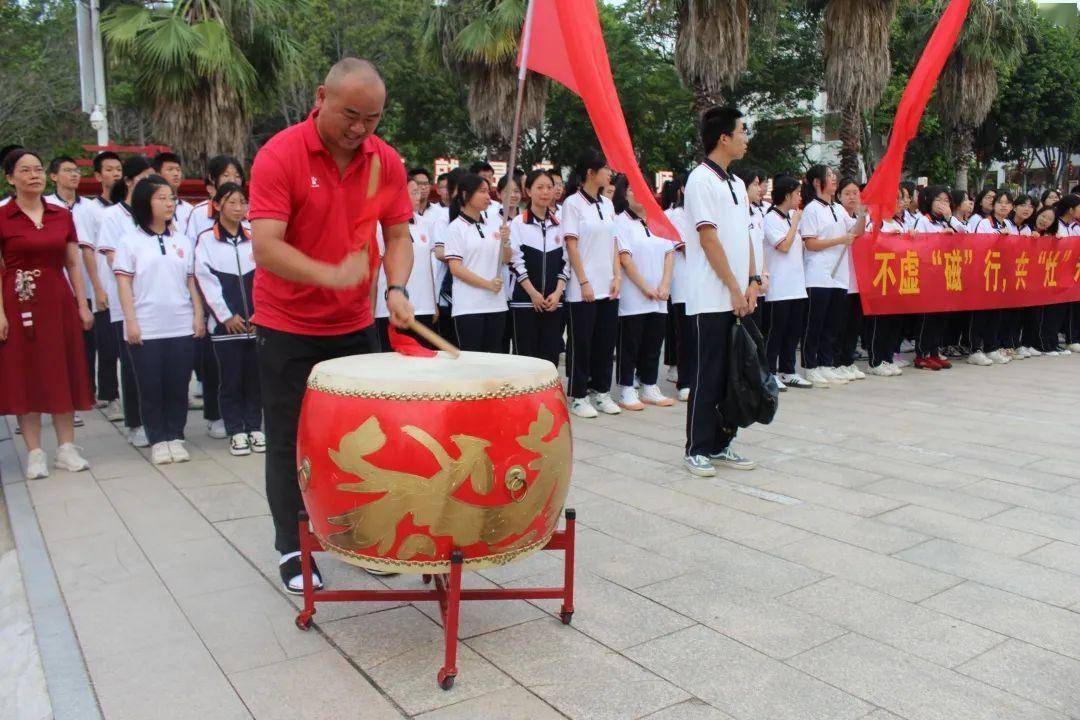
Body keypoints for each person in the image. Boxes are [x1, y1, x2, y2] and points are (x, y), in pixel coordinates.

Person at [248, 58, 415, 594]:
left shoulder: (384, 161)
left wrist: (396, 288)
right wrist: (330, 274)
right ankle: (293, 546)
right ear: (321, 96)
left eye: (372, 118)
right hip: (287, 324)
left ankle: (359, 537)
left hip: (354, 325)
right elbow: (266, 246)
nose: (360, 128)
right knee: (290, 437)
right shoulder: (281, 154)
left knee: (362, 439)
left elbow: (399, 237)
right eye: (350, 114)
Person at [0, 149, 94, 479]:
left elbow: (73, 263)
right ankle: (35, 452)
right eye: (25, 171)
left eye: (38, 169)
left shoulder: (60, 215)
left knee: (61, 369)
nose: (34, 175)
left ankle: (66, 449)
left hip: (57, 299)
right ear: (10, 178)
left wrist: (82, 304)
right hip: (17, 300)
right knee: (25, 374)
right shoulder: (3, 217)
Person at [682, 106, 758, 477]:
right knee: (708, 375)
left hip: (737, 295)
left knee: (734, 375)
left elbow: (743, 236)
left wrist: (752, 282)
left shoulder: (737, 183)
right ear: (723, 137)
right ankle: (696, 448)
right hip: (710, 298)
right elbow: (708, 239)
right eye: (742, 130)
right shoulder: (700, 180)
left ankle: (723, 443)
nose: (746, 137)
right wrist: (732, 287)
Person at [114, 175, 202, 465]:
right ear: (144, 202)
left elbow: (191, 282)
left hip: (180, 323)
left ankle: (176, 435)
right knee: (150, 385)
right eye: (161, 198)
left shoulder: (183, 241)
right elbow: (124, 285)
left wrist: (198, 315)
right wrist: (131, 321)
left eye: (172, 198)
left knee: (178, 383)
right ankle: (158, 438)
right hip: (147, 325)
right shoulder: (129, 242)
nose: (169, 203)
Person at [194, 182, 264, 457]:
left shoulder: (254, 236)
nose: (238, 208)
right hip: (226, 327)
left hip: (256, 323)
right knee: (231, 379)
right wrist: (225, 315)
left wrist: (261, 312)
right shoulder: (206, 240)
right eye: (232, 202)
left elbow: (265, 277)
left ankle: (254, 427)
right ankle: (235, 430)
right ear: (218, 204)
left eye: (243, 202)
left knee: (255, 378)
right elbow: (205, 279)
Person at [185, 154, 244, 439]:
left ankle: (249, 420)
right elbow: (196, 264)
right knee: (216, 364)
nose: (232, 180)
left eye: (236, 175)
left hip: (247, 304)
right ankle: (216, 415)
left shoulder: (250, 213)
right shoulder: (198, 215)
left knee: (246, 367)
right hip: (213, 301)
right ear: (213, 181)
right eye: (226, 175)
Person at [97, 155, 154, 447]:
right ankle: (135, 422)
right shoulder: (113, 216)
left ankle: (155, 418)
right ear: (130, 181)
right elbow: (111, 258)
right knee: (132, 365)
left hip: (155, 301)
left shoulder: (155, 214)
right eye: (145, 177)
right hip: (127, 302)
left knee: (153, 365)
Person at [563, 149, 622, 419]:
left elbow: (613, 243)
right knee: (582, 342)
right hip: (582, 288)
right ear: (590, 173)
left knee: (604, 342)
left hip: (608, 286)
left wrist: (617, 276)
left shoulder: (607, 205)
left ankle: (601, 391)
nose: (610, 173)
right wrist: (583, 280)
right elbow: (572, 245)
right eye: (605, 169)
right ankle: (578, 395)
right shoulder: (572, 204)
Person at [612, 174, 677, 409]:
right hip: (633, 296)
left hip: (659, 296)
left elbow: (669, 252)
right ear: (626, 193)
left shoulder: (657, 220)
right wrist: (645, 287)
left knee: (653, 343)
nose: (641, 194)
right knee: (630, 344)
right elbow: (625, 258)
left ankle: (650, 386)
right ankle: (626, 389)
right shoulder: (620, 221)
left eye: (646, 189)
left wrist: (665, 285)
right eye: (635, 189)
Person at [46, 155, 98, 415]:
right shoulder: (45, 206)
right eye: (67, 171)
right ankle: (61, 399)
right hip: (56, 287)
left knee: (87, 347)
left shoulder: (90, 208)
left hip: (87, 287)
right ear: (53, 176)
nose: (74, 175)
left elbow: (92, 249)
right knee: (60, 346)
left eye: (76, 170)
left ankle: (86, 395)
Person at [799, 164, 855, 387]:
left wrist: (866, 212)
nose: (834, 179)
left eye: (834, 176)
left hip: (839, 276)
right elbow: (810, 243)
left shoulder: (839, 209)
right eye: (829, 176)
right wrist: (840, 240)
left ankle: (826, 364)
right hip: (819, 275)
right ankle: (810, 367)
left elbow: (855, 231)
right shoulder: (812, 209)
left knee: (833, 324)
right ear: (816, 182)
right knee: (815, 324)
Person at [443, 173, 510, 352]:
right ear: (465, 195)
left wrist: (506, 241)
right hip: (469, 306)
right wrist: (487, 284)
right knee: (472, 360)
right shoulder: (455, 228)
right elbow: (456, 269)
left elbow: (507, 259)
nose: (488, 197)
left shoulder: (495, 223)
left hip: (496, 305)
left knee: (495, 356)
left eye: (489, 191)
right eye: (482, 192)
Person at [508, 169, 567, 368]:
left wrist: (558, 293)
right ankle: (526, 400)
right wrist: (533, 293)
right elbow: (515, 262)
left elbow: (566, 261)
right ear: (528, 191)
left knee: (550, 359)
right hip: (525, 302)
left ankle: (549, 400)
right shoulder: (518, 224)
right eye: (539, 187)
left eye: (549, 187)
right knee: (525, 359)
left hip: (553, 303)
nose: (545, 192)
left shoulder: (560, 225)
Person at [82, 151, 124, 421]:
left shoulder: (130, 209)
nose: (115, 174)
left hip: (128, 286)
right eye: (109, 169)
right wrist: (97, 289)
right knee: (106, 345)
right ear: (98, 176)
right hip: (105, 284)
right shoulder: (90, 209)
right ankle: (109, 396)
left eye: (119, 169)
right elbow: (88, 251)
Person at [373, 176, 438, 351]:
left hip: (423, 307)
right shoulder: (380, 226)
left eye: (419, 191)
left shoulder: (425, 224)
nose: (419, 195)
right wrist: (370, 309)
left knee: (425, 364)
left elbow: (429, 267)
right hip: (390, 310)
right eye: (414, 192)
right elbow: (375, 268)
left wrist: (434, 303)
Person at [762, 174, 813, 387]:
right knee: (776, 332)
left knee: (793, 332)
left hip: (796, 286)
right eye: (797, 193)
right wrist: (796, 224)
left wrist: (796, 221)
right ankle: (770, 371)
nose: (800, 197)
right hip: (778, 288)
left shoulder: (793, 215)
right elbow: (783, 246)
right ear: (786, 195)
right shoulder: (770, 218)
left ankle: (788, 369)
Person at [911, 185, 958, 370]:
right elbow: (918, 245)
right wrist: (940, 236)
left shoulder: (947, 221)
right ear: (928, 200)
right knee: (927, 317)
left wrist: (949, 218)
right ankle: (921, 354)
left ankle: (934, 352)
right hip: (927, 276)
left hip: (944, 274)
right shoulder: (922, 220)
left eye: (946, 201)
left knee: (941, 316)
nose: (942, 204)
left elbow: (965, 234)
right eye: (938, 200)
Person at [969, 189, 1017, 366]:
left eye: (1007, 203)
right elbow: (978, 245)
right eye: (1000, 202)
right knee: (981, 313)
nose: (1004, 206)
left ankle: (991, 346)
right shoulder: (984, 223)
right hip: (984, 274)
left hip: (1000, 275)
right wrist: (999, 238)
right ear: (993, 205)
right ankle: (974, 349)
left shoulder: (1008, 225)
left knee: (996, 313)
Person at [867, 191, 910, 377]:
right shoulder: (874, 223)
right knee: (880, 323)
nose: (897, 203)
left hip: (897, 280)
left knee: (893, 323)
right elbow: (867, 245)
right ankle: (876, 360)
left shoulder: (899, 224)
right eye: (894, 199)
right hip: (880, 280)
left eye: (898, 199)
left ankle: (888, 357)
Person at [662, 175, 693, 402]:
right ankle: (685, 381)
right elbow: (685, 248)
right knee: (686, 335)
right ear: (683, 189)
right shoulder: (676, 216)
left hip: (704, 284)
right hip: (683, 284)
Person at [835, 177, 868, 380]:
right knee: (841, 323)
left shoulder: (856, 215)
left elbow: (861, 232)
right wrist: (862, 217)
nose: (852, 197)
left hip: (857, 280)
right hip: (840, 279)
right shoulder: (838, 213)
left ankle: (848, 361)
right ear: (839, 196)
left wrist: (862, 214)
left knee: (853, 324)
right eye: (847, 193)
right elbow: (855, 233)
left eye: (855, 192)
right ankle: (838, 361)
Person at [152, 152, 194, 231]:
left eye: (178, 170)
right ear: (157, 174)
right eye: (170, 170)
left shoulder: (190, 209)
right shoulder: (153, 208)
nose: (176, 174)